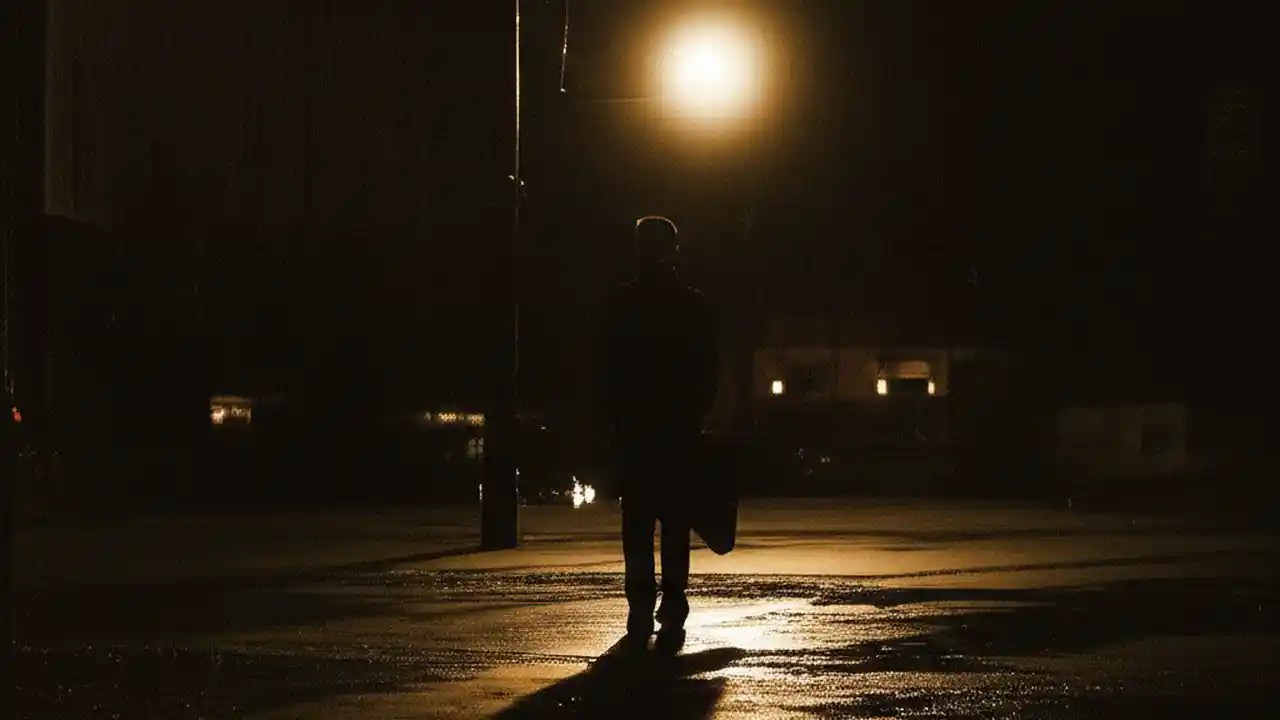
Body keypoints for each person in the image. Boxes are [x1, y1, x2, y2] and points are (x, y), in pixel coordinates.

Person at [597, 216, 718, 638]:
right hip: (677, 432)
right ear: (675, 252)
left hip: (635, 431)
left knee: (637, 522)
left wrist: (616, 417)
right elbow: (706, 373)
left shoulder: (621, 304)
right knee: (675, 522)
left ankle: (640, 603)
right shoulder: (692, 305)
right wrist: (692, 414)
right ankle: (673, 601)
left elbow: (606, 369)